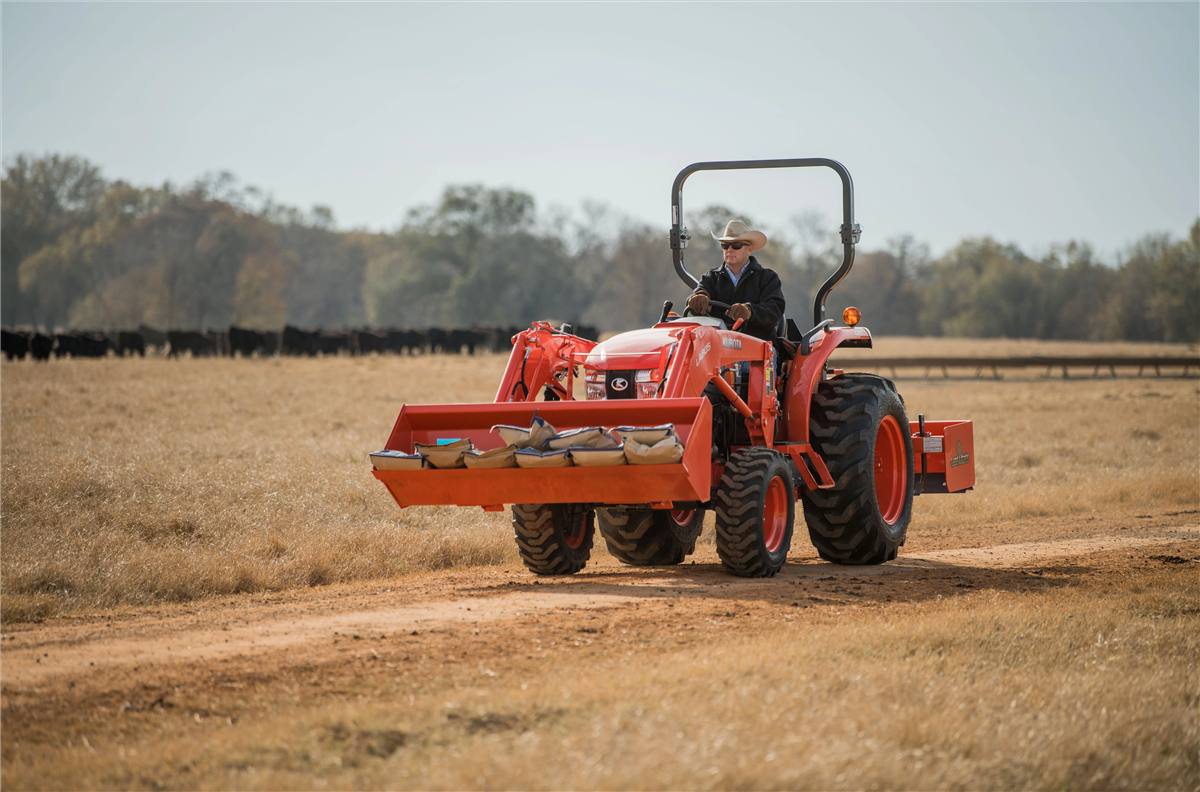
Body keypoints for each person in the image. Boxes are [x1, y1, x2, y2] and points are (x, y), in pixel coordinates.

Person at [685, 219, 785, 340]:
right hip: (716, 347)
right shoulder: (710, 278)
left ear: (749, 249)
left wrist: (749, 311)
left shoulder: (767, 278)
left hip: (758, 348)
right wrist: (699, 299)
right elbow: (698, 295)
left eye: (736, 245)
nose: (729, 249)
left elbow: (774, 310)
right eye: (725, 245)